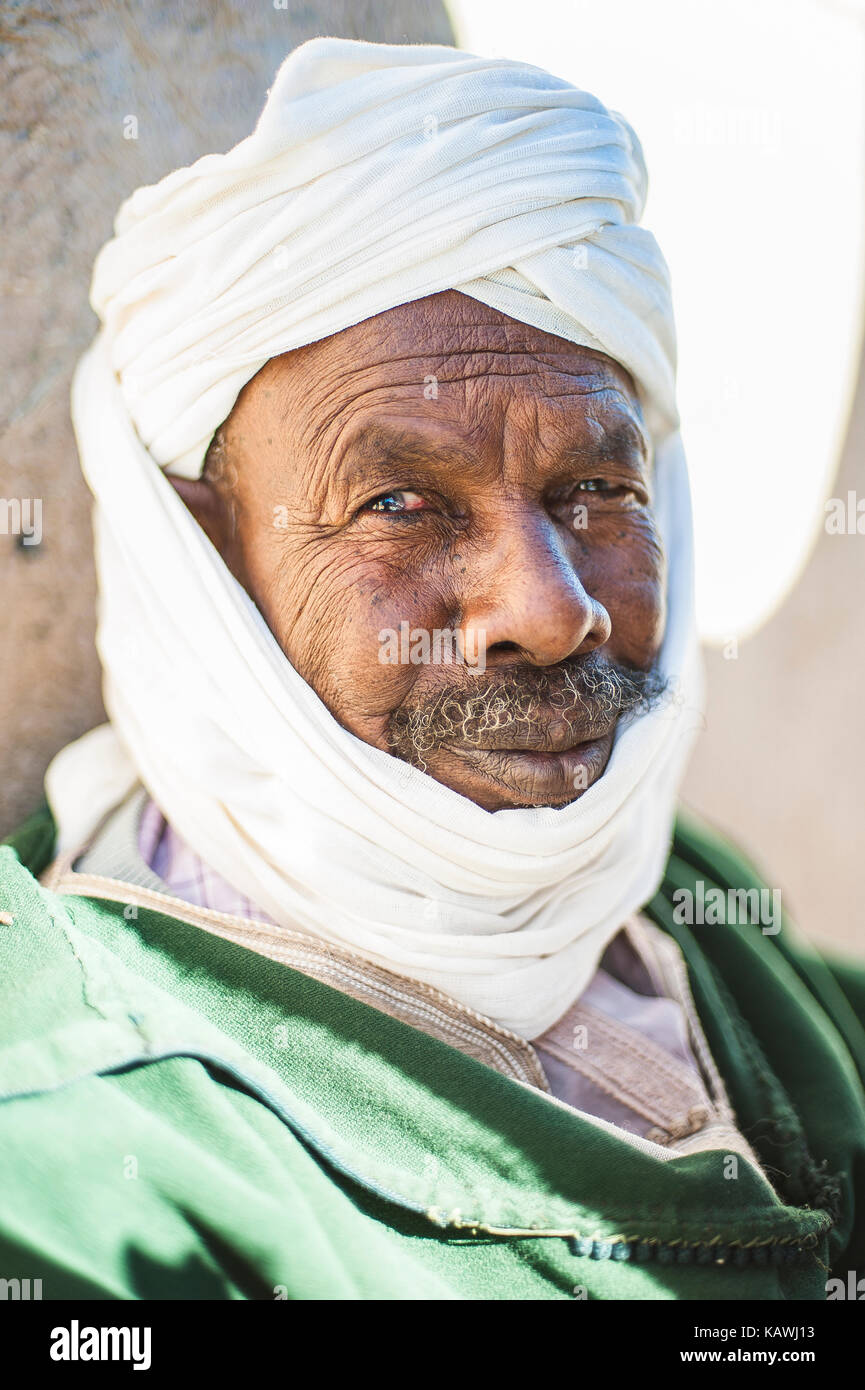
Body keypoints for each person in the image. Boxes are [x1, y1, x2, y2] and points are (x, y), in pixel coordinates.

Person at [1, 37, 862, 1301]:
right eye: (401, 500)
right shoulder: (87, 1139)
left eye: (597, 491)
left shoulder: (662, 886)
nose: (549, 611)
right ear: (201, 552)